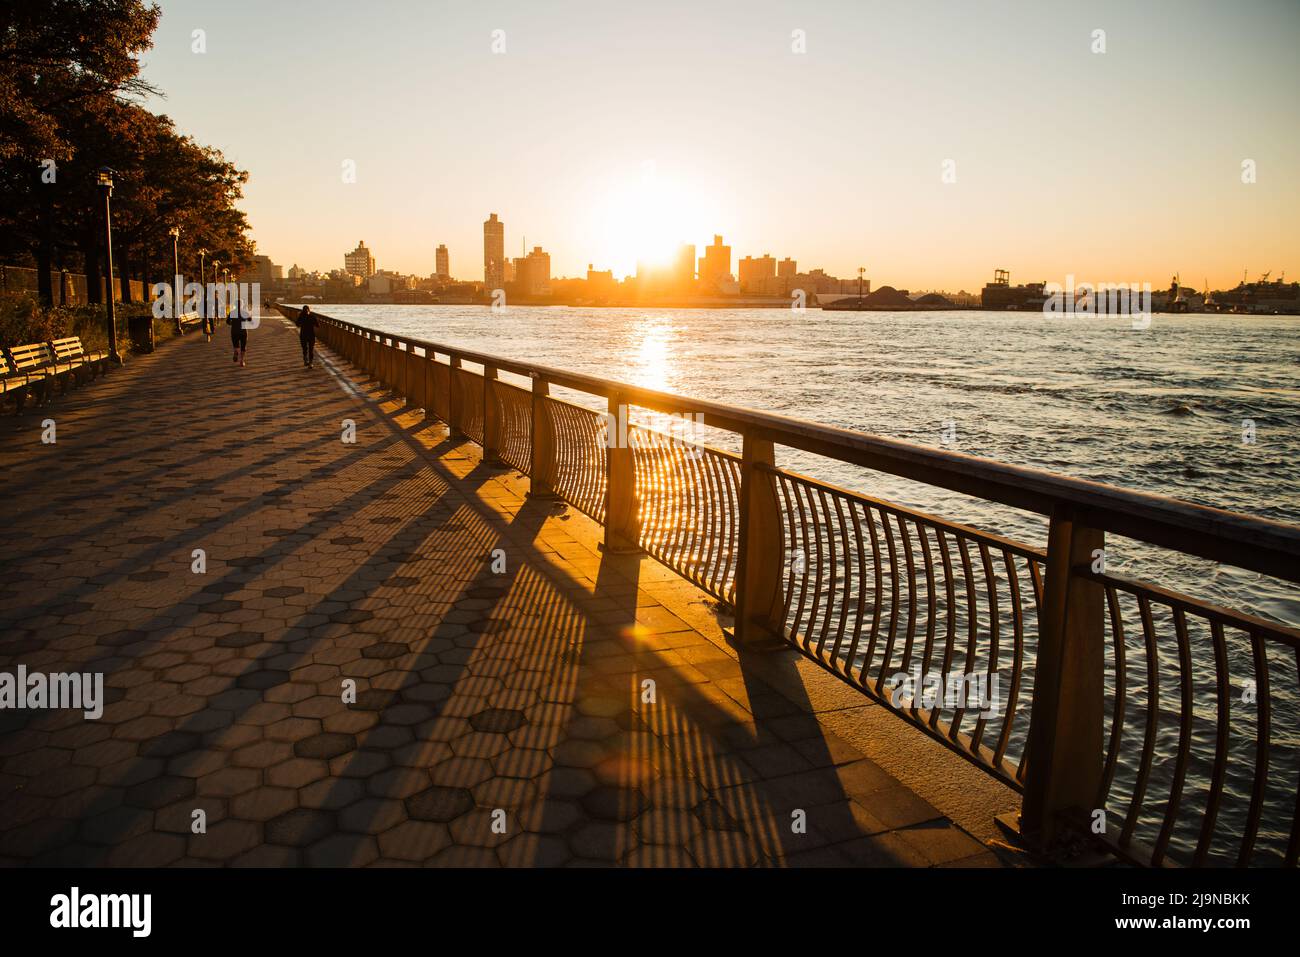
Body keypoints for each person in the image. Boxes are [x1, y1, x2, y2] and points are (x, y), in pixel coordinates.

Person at [227, 302, 248, 367]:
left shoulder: (232, 312)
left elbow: (227, 322)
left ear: (235, 305)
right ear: (242, 305)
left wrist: (232, 324)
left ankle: (236, 351)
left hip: (234, 332)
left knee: (236, 345)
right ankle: (241, 361)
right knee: (243, 347)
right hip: (243, 332)